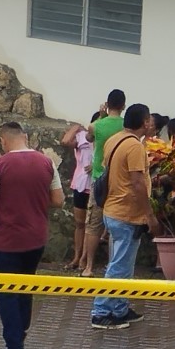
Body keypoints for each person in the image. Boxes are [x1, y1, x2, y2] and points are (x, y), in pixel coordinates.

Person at [0, 122, 64, 349]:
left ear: (3, 140)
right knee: (25, 288)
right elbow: (58, 200)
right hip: (36, 238)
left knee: (7, 293)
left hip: (9, 240)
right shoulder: (47, 163)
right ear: (25, 137)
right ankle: (20, 337)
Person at [90, 103, 159, 330]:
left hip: (114, 209)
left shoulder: (115, 139)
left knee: (122, 265)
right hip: (127, 213)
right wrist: (149, 215)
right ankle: (100, 312)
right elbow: (137, 182)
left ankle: (119, 308)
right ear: (143, 123)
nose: (151, 123)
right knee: (118, 266)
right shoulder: (135, 147)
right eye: (148, 120)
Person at [82, 88, 126, 276]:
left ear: (107, 105)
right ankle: (111, 266)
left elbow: (88, 137)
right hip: (118, 180)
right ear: (124, 106)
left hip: (99, 178)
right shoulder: (126, 126)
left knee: (93, 224)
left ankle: (89, 266)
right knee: (116, 223)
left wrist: (100, 116)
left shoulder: (97, 125)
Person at [60, 112, 99, 271]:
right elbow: (65, 141)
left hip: (96, 184)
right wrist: (76, 126)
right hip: (81, 183)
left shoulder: (106, 140)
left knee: (93, 225)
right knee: (79, 223)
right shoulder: (83, 137)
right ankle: (77, 256)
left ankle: (86, 258)